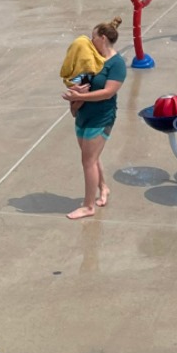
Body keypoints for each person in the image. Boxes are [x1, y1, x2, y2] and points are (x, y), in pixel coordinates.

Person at [61, 17, 126, 220]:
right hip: (83, 114)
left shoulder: (117, 64)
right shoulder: (92, 60)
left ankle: (88, 206)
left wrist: (81, 96)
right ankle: (103, 188)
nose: (90, 41)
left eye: (93, 37)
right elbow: (78, 82)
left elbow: (107, 92)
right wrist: (75, 91)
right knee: (91, 157)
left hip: (101, 117)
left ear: (103, 38)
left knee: (87, 160)